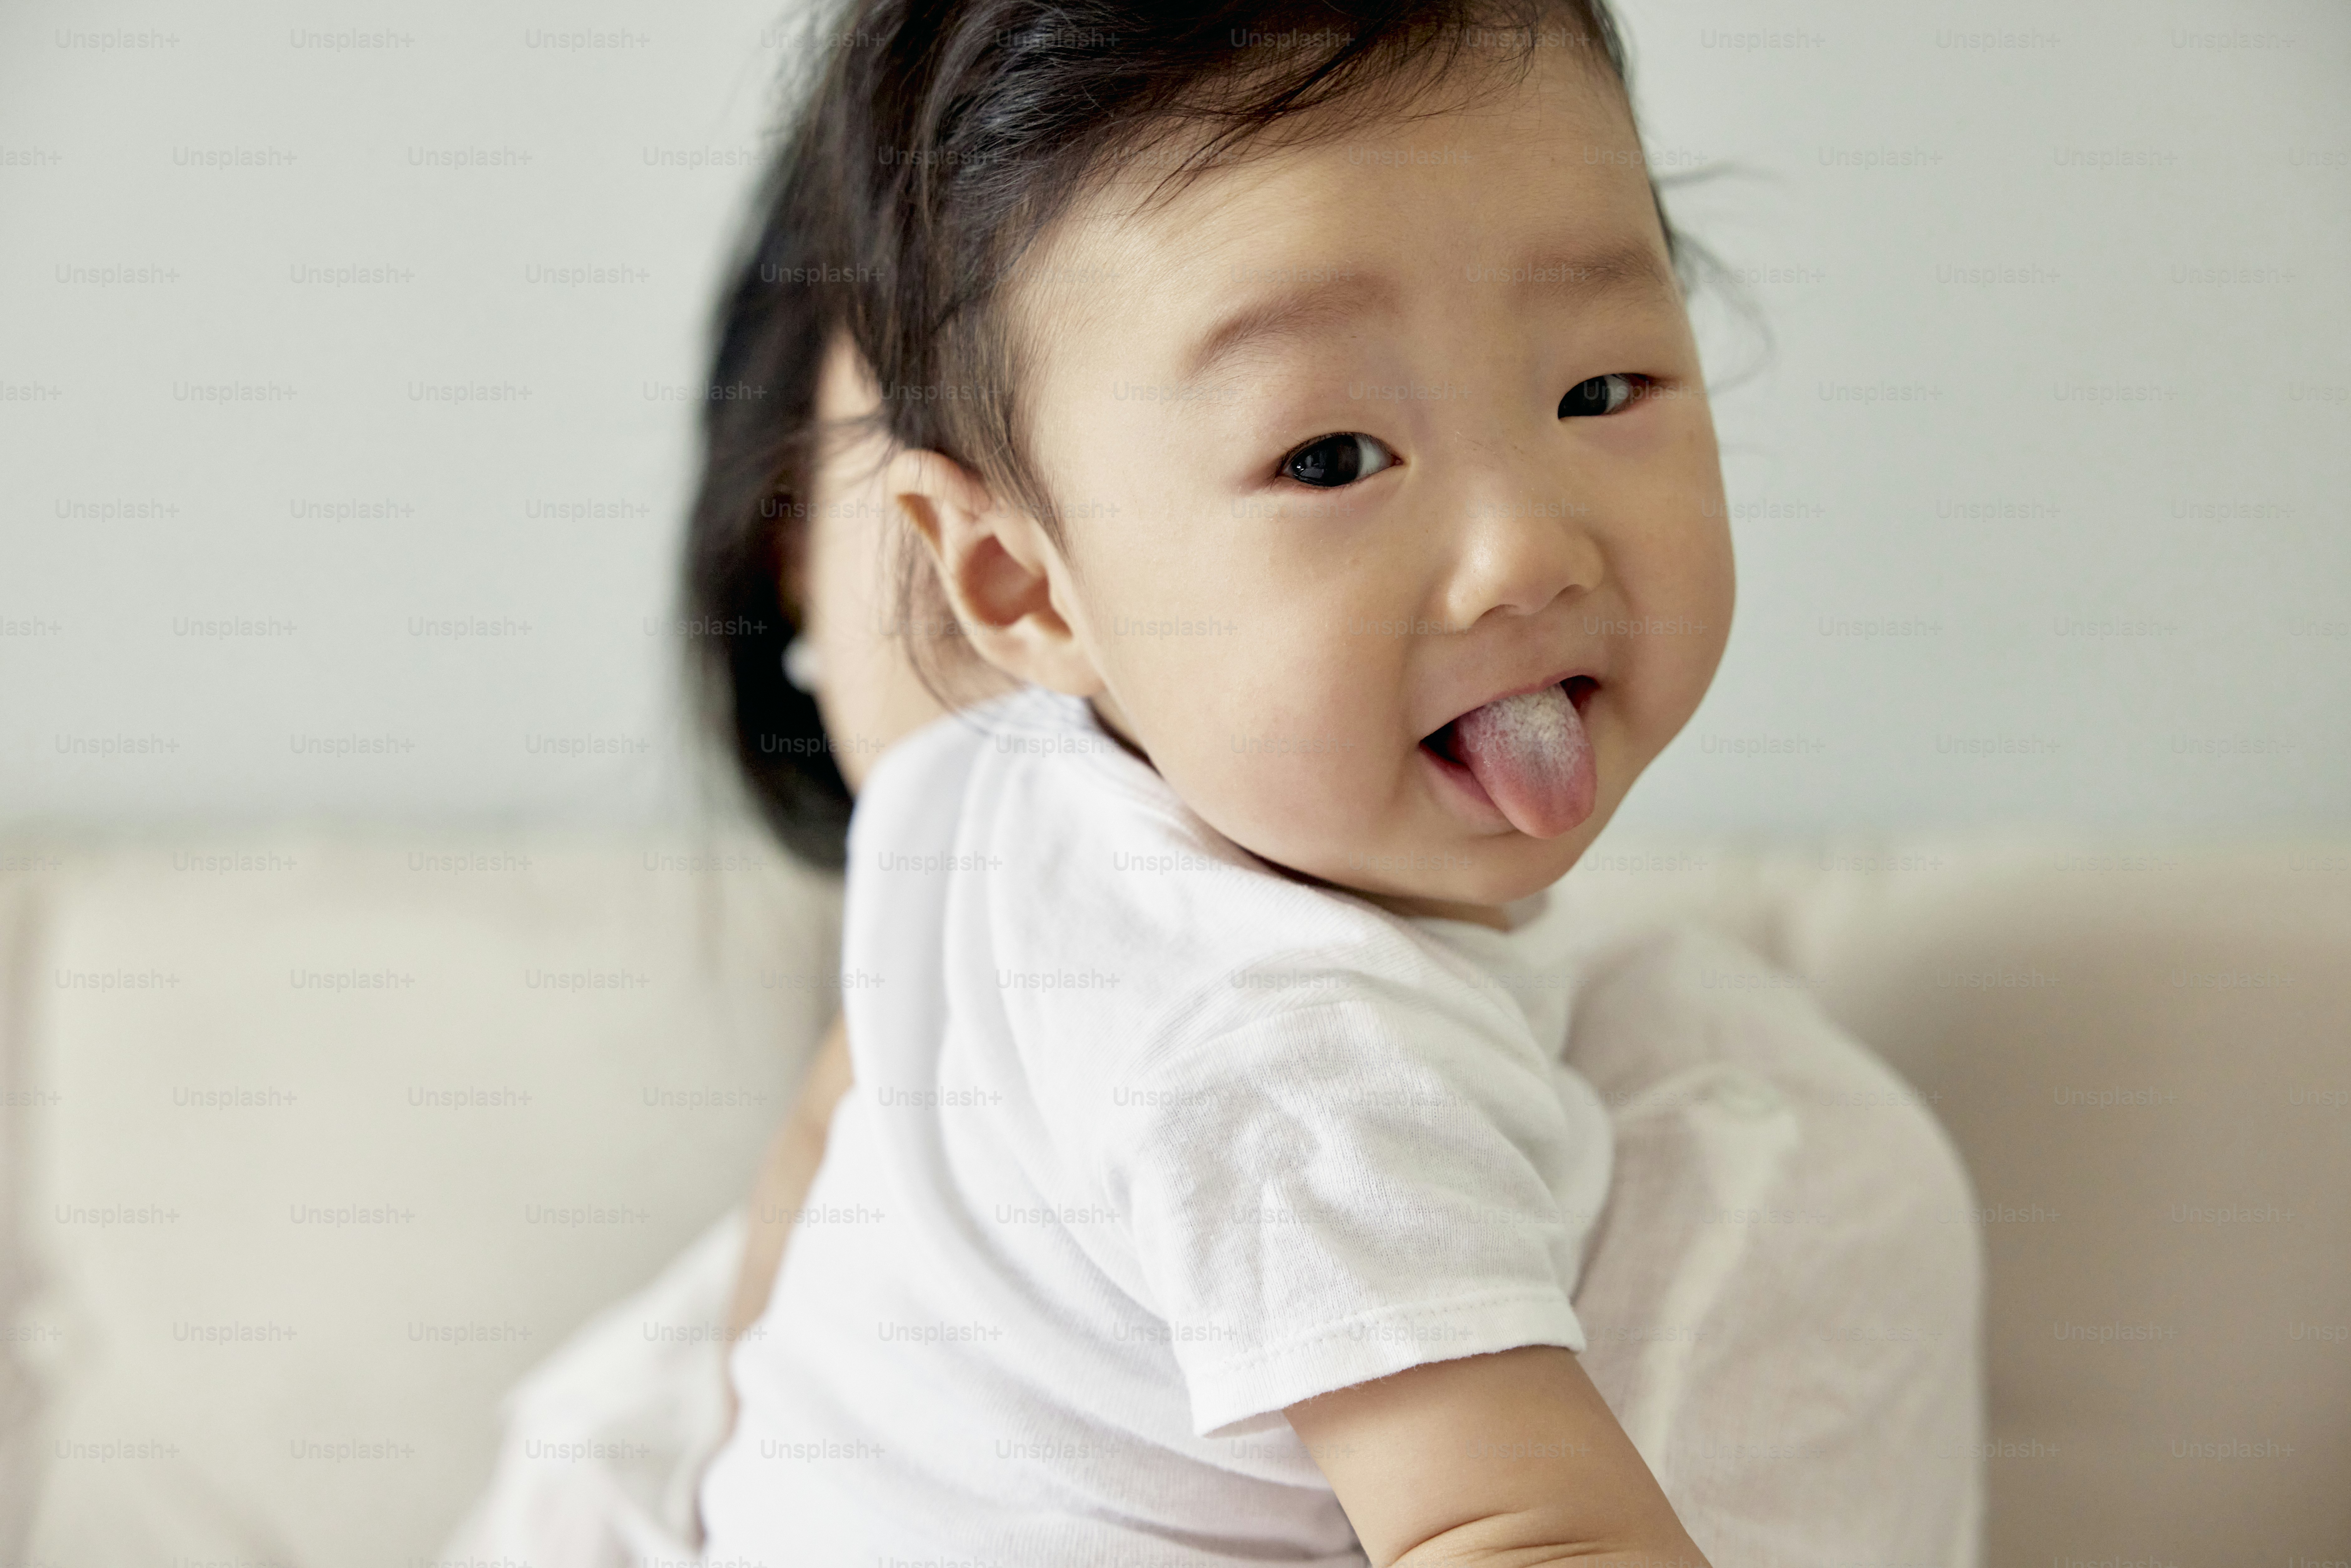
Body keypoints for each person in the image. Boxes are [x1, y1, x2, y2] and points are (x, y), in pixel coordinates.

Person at [447, 3, 1984, 1562]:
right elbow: (1516, 1528)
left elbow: (818, 1163)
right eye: (1330, 458)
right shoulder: (1303, 1047)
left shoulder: (973, 818)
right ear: (1011, 577)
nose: (1526, 550)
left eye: (1599, 390)